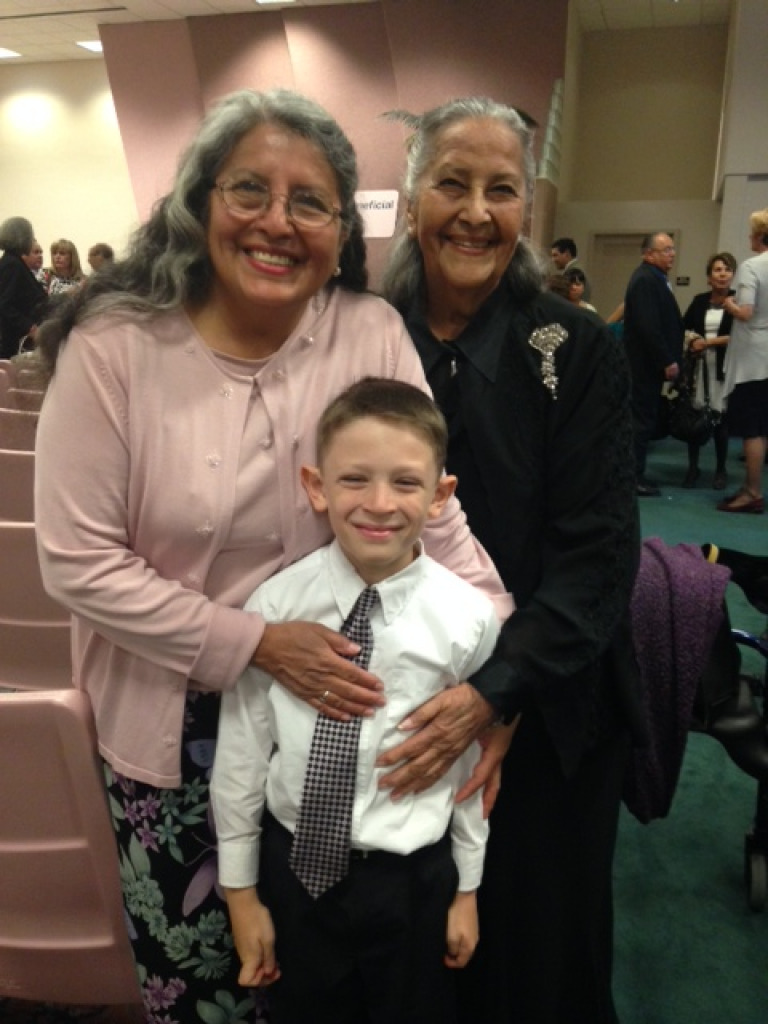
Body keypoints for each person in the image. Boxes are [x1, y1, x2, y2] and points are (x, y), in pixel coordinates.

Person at [34, 87, 510, 1024]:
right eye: (249, 190)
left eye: (311, 203)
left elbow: (432, 510)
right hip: (166, 726)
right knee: (209, 986)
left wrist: (496, 672)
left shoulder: (368, 332)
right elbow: (77, 562)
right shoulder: (114, 344)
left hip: (346, 720)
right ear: (199, 203)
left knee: (340, 986)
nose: (277, 224)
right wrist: (258, 643)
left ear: (343, 230)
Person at [381, 96, 644, 1024]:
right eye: (452, 182)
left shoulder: (571, 349)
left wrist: (498, 694)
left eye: (503, 189)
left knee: (536, 960)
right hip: (399, 711)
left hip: (547, 699)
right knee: (408, 954)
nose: (476, 211)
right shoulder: (365, 337)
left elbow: (598, 552)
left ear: (528, 208)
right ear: (413, 198)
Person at [211, 377, 506, 1024]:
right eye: (353, 480)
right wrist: (240, 892)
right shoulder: (277, 608)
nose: (379, 503)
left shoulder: (468, 619)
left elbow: (469, 765)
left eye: (406, 482)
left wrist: (468, 889)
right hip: (296, 877)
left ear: (440, 496)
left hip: (414, 882)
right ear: (316, 487)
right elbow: (241, 752)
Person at [622, 231, 684, 496]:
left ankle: (635, 474)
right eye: (665, 250)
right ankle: (633, 478)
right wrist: (666, 359)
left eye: (672, 249)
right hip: (643, 365)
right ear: (648, 254)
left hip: (646, 365)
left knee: (643, 419)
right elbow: (649, 327)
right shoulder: (646, 280)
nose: (672, 254)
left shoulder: (654, 278)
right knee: (640, 421)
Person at [717, 207, 768, 514]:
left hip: (753, 359)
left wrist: (729, 302)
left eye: (751, 233)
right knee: (763, 427)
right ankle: (753, 487)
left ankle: (752, 491)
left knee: (752, 429)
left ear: (761, 236)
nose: (749, 237)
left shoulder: (752, 267)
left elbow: (746, 312)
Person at [680, 251, 737, 490]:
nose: (722, 274)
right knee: (696, 417)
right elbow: (683, 328)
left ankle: (721, 469)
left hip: (725, 368)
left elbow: (739, 337)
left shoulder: (738, 302)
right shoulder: (699, 301)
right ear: (709, 277)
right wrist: (692, 341)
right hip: (700, 369)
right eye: (717, 270)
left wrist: (710, 343)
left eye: (726, 270)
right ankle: (693, 467)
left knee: (720, 420)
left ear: (732, 275)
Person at [0, 216, 48, 359]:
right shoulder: (13, 265)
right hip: (15, 342)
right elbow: (4, 304)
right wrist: (30, 327)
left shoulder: (13, 262)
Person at [550, 235, 591, 300]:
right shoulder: (578, 269)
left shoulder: (573, 272)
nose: (553, 260)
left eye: (555, 255)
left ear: (567, 254)